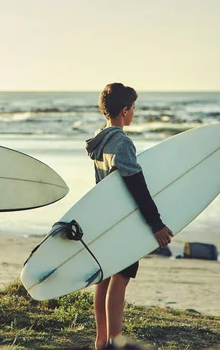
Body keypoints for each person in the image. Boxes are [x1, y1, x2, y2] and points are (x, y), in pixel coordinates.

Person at [85, 83, 174, 349]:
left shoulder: (99, 138)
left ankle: (102, 340)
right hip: (123, 221)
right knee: (120, 279)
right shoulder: (122, 142)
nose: (134, 113)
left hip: (106, 219)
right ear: (124, 110)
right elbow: (136, 185)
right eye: (133, 108)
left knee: (104, 278)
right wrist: (156, 224)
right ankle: (114, 341)